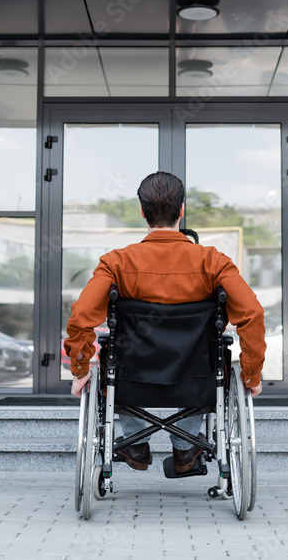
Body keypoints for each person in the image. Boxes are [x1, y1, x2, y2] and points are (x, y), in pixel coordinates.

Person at [65, 171, 265, 474]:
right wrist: (251, 375)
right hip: (196, 376)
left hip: (132, 377)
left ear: (142, 212)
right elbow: (252, 314)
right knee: (210, 356)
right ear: (181, 210)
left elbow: (81, 316)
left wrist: (80, 369)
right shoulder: (213, 262)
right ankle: (185, 448)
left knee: (113, 357)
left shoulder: (116, 263)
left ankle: (134, 441)